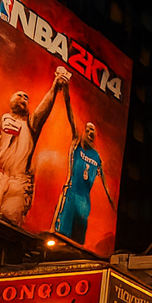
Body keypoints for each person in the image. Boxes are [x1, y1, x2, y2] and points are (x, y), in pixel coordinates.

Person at [0, 66, 71, 225]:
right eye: (20, 95)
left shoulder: (31, 124)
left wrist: (54, 87)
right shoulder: (2, 120)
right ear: (11, 101)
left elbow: (43, 110)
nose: (23, 97)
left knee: (9, 222)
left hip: (21, 181)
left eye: (26, 97)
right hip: (3, 178)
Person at [52, 83, 114, 245]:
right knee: (61, 237)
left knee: (78, 242)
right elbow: (71, 117)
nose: (90, 132)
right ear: (83, 132)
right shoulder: (77, 144)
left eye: (93, 130)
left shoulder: (97, 157)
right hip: (71, 193)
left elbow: (106, 184)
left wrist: (113, 204)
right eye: (87, 129)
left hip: (85, 201)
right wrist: (66, 93)